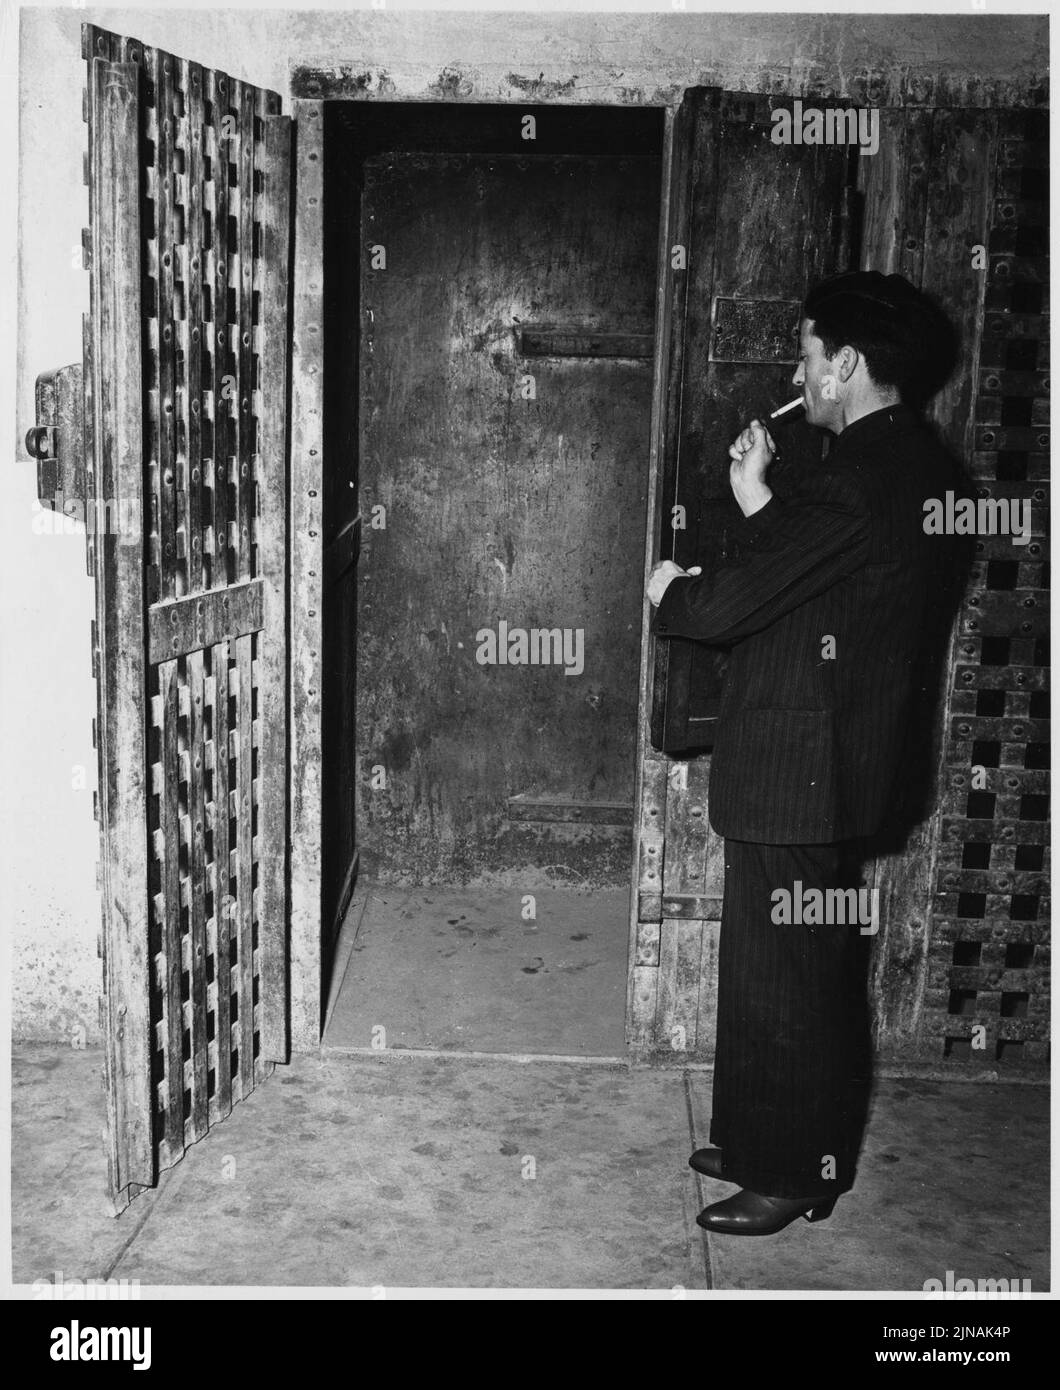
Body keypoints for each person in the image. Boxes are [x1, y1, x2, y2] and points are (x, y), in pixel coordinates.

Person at [647, 270, 964, 1235]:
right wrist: (755, 497)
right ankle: (760, 1139)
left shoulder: (856, 476)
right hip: (833, 766)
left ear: (851, 364)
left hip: (804, 772)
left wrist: (674, 594)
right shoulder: (913, 464)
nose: (800, 372)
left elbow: (739, 603)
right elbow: (819, 578)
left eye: (809, 355)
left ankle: (790, 1175)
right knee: (780, 964)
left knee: (788, 976)